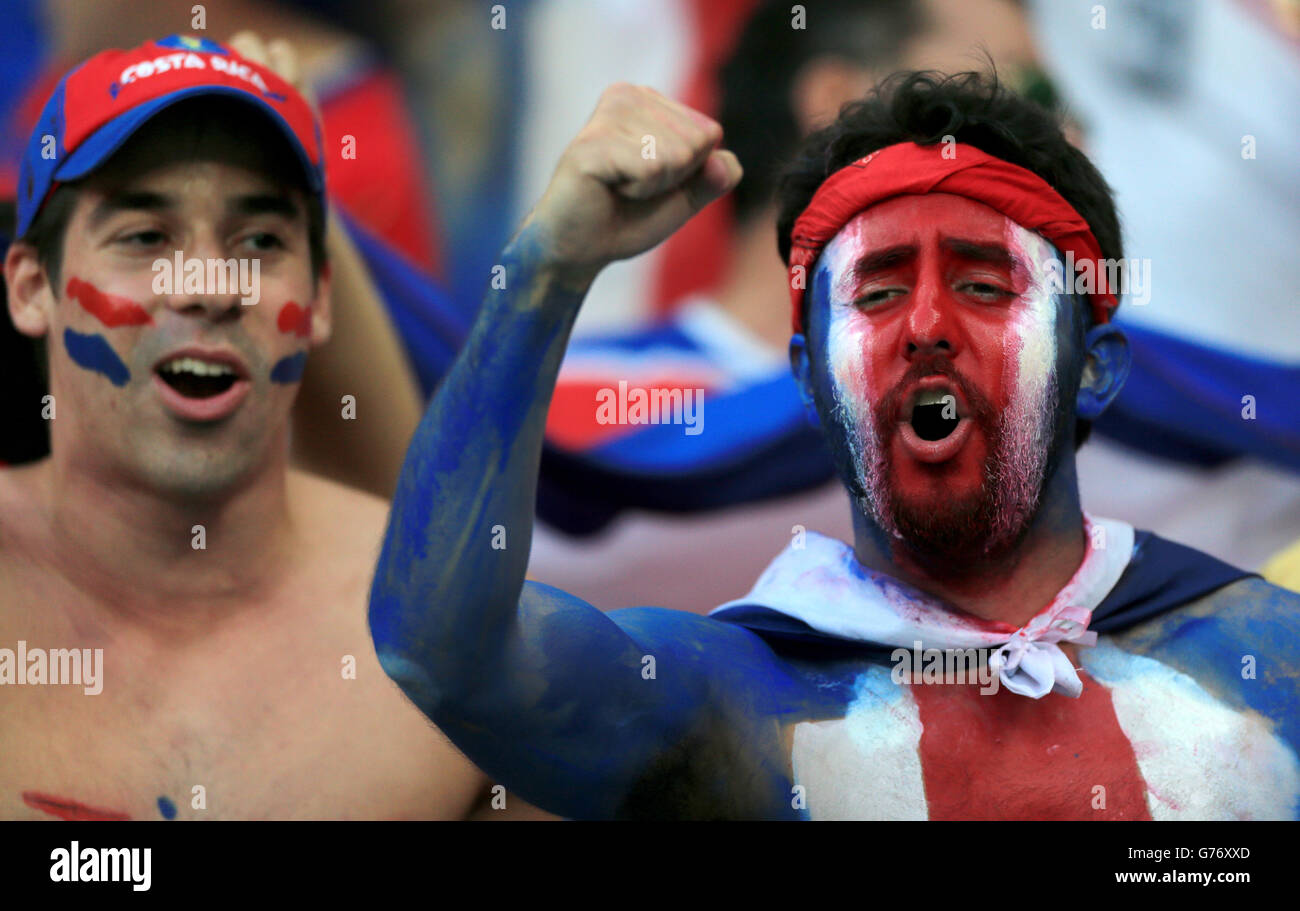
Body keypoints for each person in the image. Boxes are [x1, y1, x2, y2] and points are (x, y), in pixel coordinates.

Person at [370, 73, 1300, 820]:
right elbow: (440, 654)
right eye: (879, 292)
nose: (928, 324)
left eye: (984, 286)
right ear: (810, 380)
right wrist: (548, 265)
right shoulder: (733, 705)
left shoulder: (1269, 658)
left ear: (1093, 369)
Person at [0, 35, 494, 819]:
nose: (209, 287)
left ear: (322, 299)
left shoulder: (456, 635)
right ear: (31, 287)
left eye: (259, 242)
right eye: (146, 238)